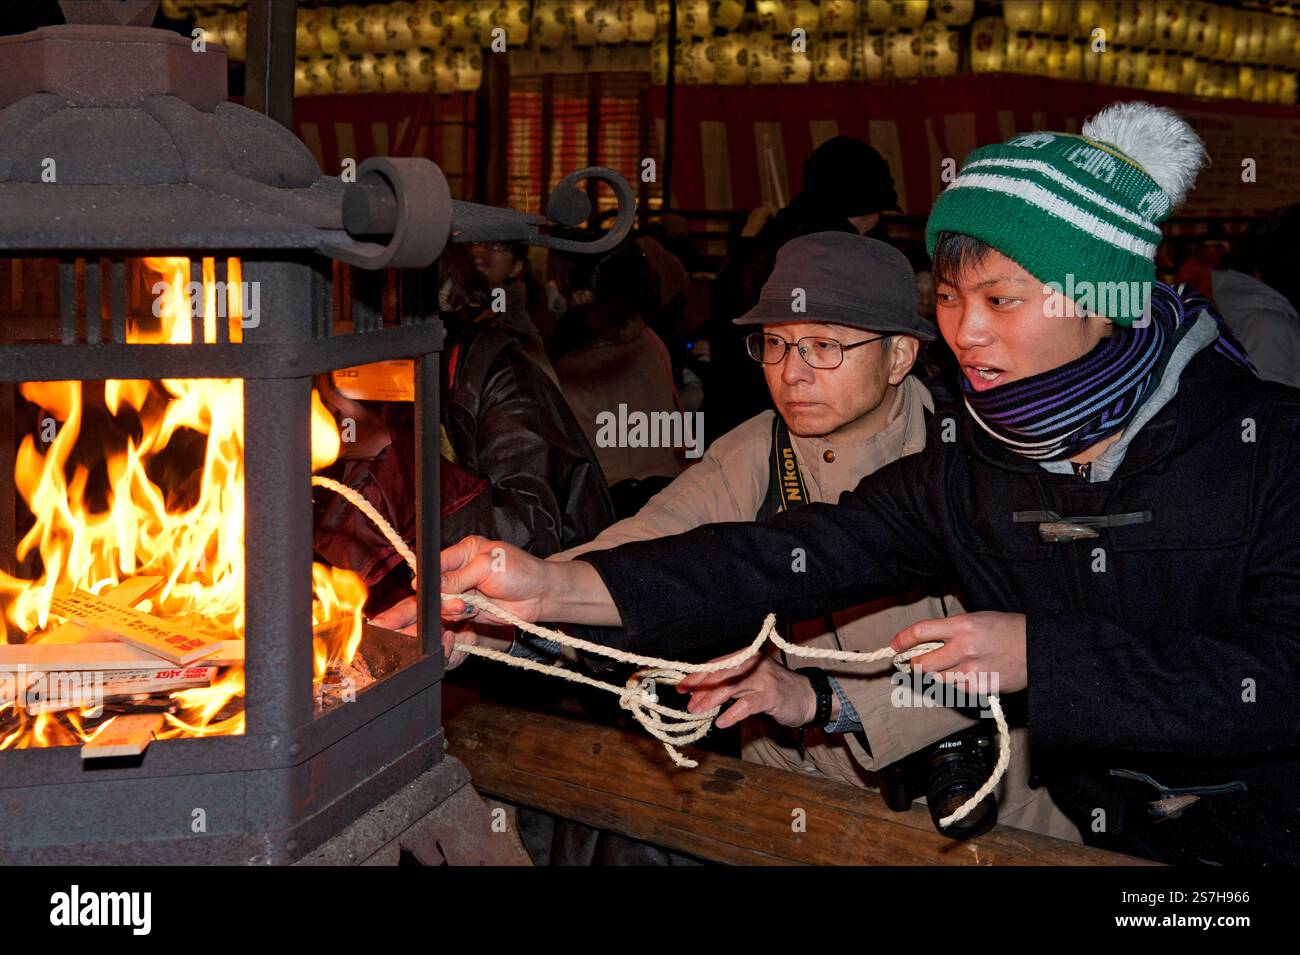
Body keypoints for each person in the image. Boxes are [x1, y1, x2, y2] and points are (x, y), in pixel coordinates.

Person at [439, 103, 1300, 865]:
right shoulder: (973, 468)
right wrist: (545, 586)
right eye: (953, 298)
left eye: (1001, 300)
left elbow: (1283, 674)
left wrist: (1042, 655)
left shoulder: (1271, 446)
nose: (964, 332)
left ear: (1103, 292)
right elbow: (781, 555)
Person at [524, 231, 1076, 840]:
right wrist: (517, 608)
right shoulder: (757, 448)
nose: (792, 373)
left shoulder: (971, 462)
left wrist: (829, 699)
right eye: (776, 345)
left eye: (824, 347)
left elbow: (1043, 656)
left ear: (899, 357)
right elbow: (648, 544)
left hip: (972, 804)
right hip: (789, 795)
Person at [703, 136, 901, 442]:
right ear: (865, 210)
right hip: (779, 430)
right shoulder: (834, 260)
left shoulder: (771, 240)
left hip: (734, 423)